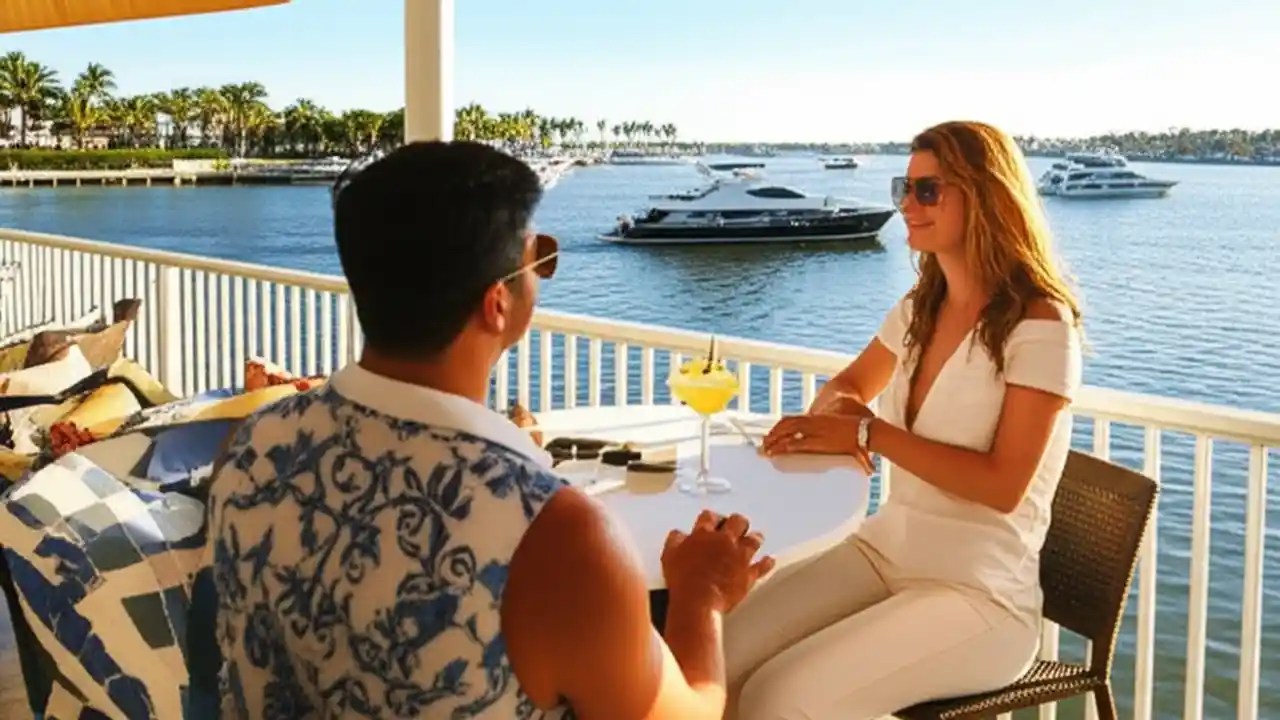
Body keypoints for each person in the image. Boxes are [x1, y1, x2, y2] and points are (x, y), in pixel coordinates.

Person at [205, 141, 774, 720]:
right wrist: (701, 597)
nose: (544, 271)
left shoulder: (251, 445)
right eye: (540, 256)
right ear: (497, 303)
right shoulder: (558, 538)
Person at [722, 120, 1084, 719]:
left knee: (777, 700)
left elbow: (1003, 485)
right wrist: (839, 419)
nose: (908, 206)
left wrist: (869, 434)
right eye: (904, 188)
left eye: (928, 191)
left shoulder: (1041, 326)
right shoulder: (921, 307)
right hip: (885, 550)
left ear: (986, 195)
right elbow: (845, 387)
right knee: (717, 651)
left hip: (978, 592)